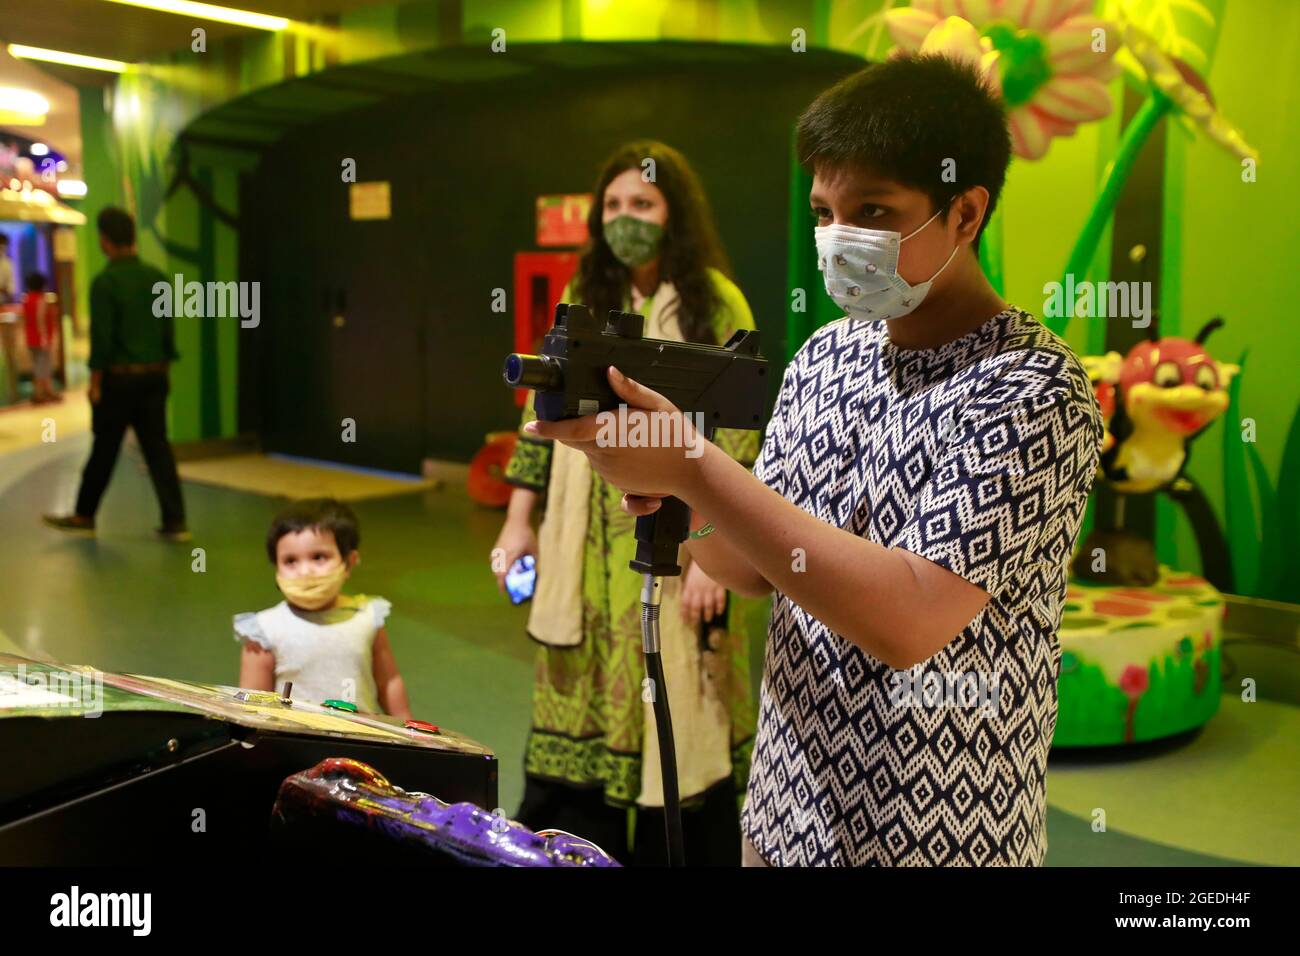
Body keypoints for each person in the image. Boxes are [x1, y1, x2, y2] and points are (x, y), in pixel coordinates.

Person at [527, 56, 1104, 866]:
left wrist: (692, 467)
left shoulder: (1034, 389)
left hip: (939, 832)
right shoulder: (826, 356)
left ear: (965, 212)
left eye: (872, 210)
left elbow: (909, 620)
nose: (838, 239)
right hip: (784, 812)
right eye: (824, 212)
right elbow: (755, 569)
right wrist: (664, 491)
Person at [493, 140, 762, 865]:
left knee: (680, 725)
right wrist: (520, 521)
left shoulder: (714, 301)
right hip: (581, 560)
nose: (624, 218)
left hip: (676, 551)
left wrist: (715, 554)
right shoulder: (587, 294)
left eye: (640, 203)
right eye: (612, 205)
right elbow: (544, 419)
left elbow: (741, 435)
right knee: (575, 751)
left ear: (672, 213)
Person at [43, 207, 189, 540]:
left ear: (105, 241)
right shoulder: (157, 278)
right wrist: (161, 370)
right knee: (158, 449)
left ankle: (84, 515)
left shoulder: (105, 283)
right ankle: (176, 522)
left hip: (120, 380)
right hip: (154, 377)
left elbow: (103, 340)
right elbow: (168, 332)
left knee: (105, 447)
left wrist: (95, 384)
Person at [235, 498, 412, 720]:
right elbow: (253, 705)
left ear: (349, 562)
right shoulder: (263, 630)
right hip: (295, 743)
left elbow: (389, 680)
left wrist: (408, 729)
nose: (305, 571)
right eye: (290, 561)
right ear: (276, 569)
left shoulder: (367, 616)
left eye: (319, 557)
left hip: (361, 740)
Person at [23, 272, 60, 403]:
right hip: (41, 339)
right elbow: (41, 321)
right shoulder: (41, 300)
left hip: (31, 338)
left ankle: (42, 392)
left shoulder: (27, 299)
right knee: (44, 367)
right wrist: (45, 339)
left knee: (37, 366)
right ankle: (43, 392)